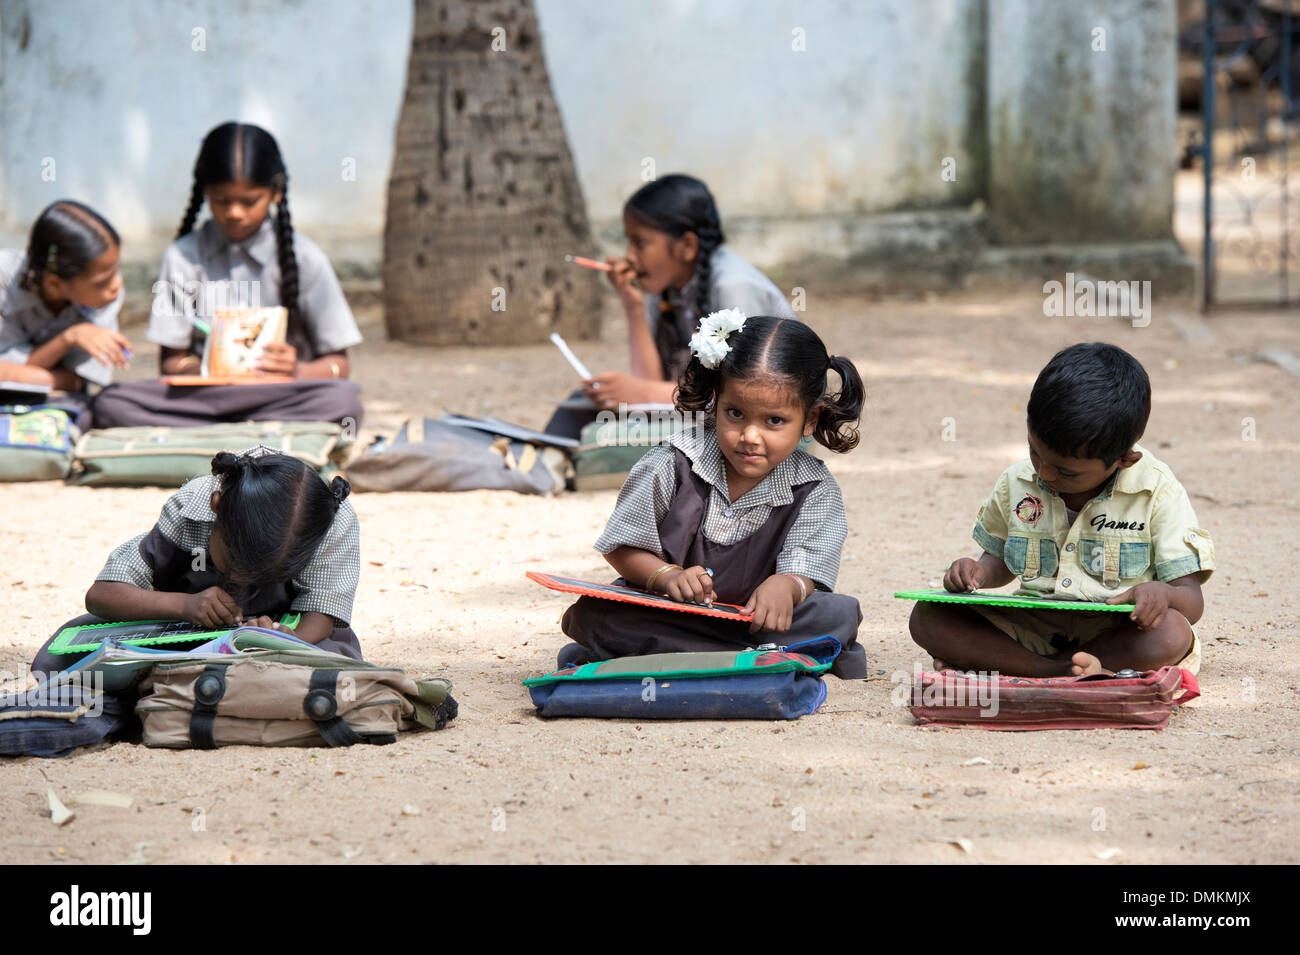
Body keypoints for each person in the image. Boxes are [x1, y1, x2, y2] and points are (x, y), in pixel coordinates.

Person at [557, 311, 867, 679]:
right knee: (597, 612)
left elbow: (808, 571)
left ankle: (668, 656)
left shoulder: (814, 488)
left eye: (774, 421)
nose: (750, 436)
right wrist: (667, 577)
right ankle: (757, 659)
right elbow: (621, 546)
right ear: (714, 402)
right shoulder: (670, 463)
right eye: (735, 413)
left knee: (837, 613)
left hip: (758, 622)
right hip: (669, 611)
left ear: (811, 420)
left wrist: (788, 585)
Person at [909, 342, 1215, 677]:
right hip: (1031, 626)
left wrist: (1162, 594)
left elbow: (1191, 601)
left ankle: (1018, 667)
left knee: (1172, 632)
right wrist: (976, 573)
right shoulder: (1016, 481)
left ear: (1124, 460)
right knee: (930, 615)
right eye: (1034, 452)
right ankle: (1060, 671)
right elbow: (999, 561)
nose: (1044, 474)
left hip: (1115, 632)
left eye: (1067, 472)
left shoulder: (1157, 490)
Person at [92, 122, 363, 429]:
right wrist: (206, 369)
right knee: (112, 402)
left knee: (344, 402)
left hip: (282, 396)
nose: (235, 212)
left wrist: (297, 370)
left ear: (275, 193)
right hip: (207, 399)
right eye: (222, 201)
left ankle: (224, 436)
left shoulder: (306, 257)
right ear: (205, 192)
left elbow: (339, 366)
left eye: (249, 201)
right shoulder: (182, 256)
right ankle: (259, 437)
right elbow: (170, 363)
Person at [29, 446, 362, 677]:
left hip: (279, 635)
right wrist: (185, 606)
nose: (243, 581)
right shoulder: (192, 506)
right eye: (233, 564)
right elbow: (102, 595)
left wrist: (278, 643)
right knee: (75, 646)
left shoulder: (328, 523)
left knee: (337, 655)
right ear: (216, 507)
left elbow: (322, 615)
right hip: (180, 634)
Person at [544, 174, 794, 439]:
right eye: (628, 241)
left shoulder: (733, 285)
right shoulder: (663, 286)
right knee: (586, 404)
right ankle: (542, 456)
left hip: (761, 424)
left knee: (623, 431)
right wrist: (633, 306)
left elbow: (747, 392)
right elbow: (649, 381)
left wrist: (642, 393)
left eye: (640, 243)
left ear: (686, 246)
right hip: (703, 411)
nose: (629, 256)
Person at [0, 201, 130, 428]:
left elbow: (75, 381)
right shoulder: (4, 282)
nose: (116, 284)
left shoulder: (105, 298)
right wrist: (70, 338)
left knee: (90, 414)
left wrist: (22, 375)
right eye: (103, 281)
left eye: (115, 272)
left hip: (55, 401)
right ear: (53, 283)